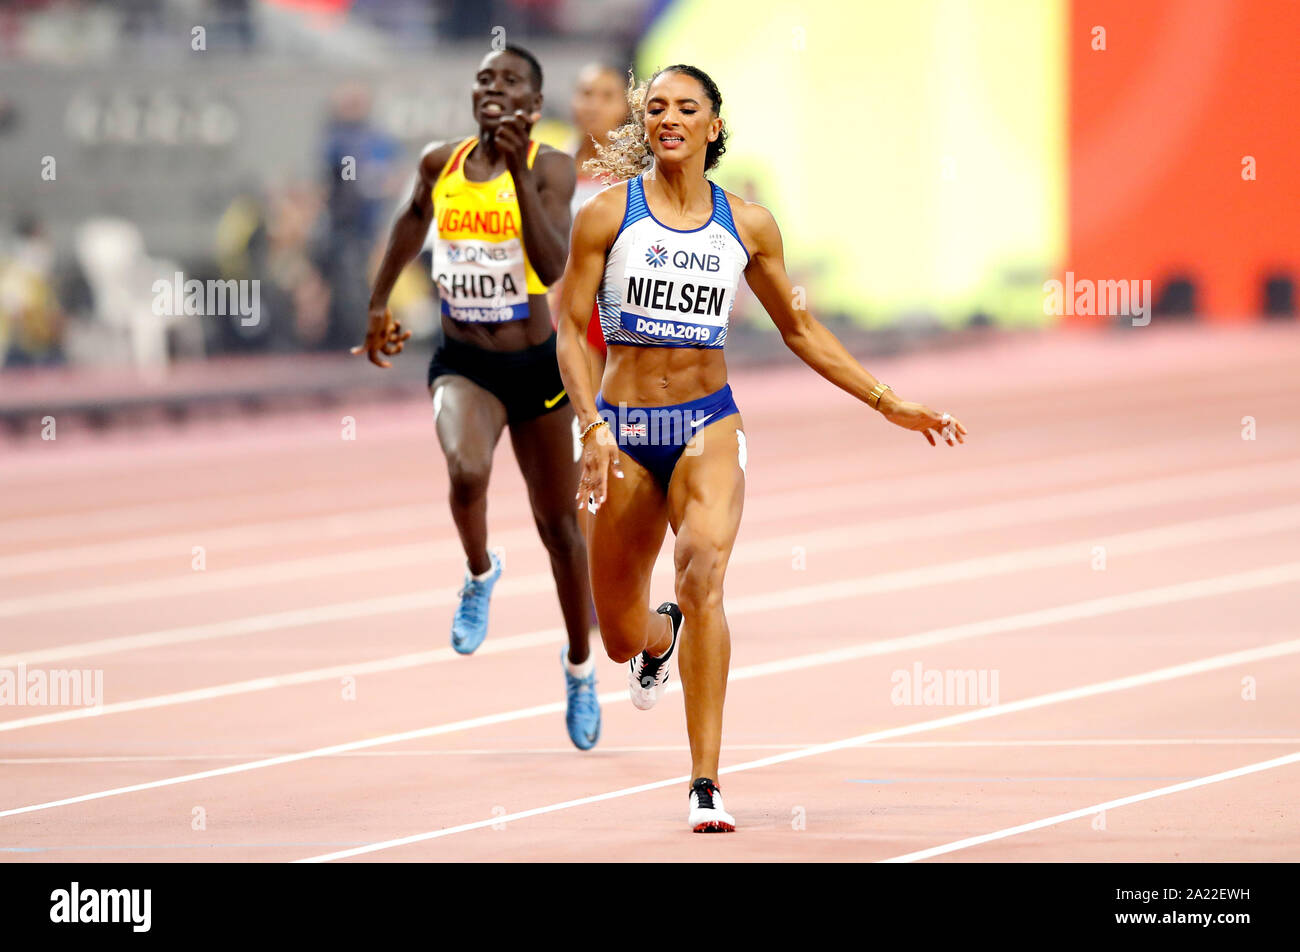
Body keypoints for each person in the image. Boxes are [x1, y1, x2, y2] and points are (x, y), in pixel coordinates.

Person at [555, 64, 967, 831]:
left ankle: (704, 782)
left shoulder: (748, 225)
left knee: (703, 567)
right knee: (616, 636)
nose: (669, 118)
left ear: (714, 126)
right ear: (644, 125)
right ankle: (660, 634)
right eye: (656, 108)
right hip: (624, 431)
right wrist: (589, 425)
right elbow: (569, 335)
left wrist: (888, 401)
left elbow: (800, 328)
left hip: (708, 422)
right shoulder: (607, 217)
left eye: (687, 108)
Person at [355, 45, 602, 751]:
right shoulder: (443, 163)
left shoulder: (552, 166)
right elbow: (409, 218)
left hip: (536, 365)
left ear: (532, 102)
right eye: (484, 79)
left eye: (510, 81)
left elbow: (553, 263)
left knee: (559, 527)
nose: (494, 88)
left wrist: (520, 171)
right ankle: (480, 570)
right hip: (465, 360)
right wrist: (376, 304)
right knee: (466, 470)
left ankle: (579, 668)